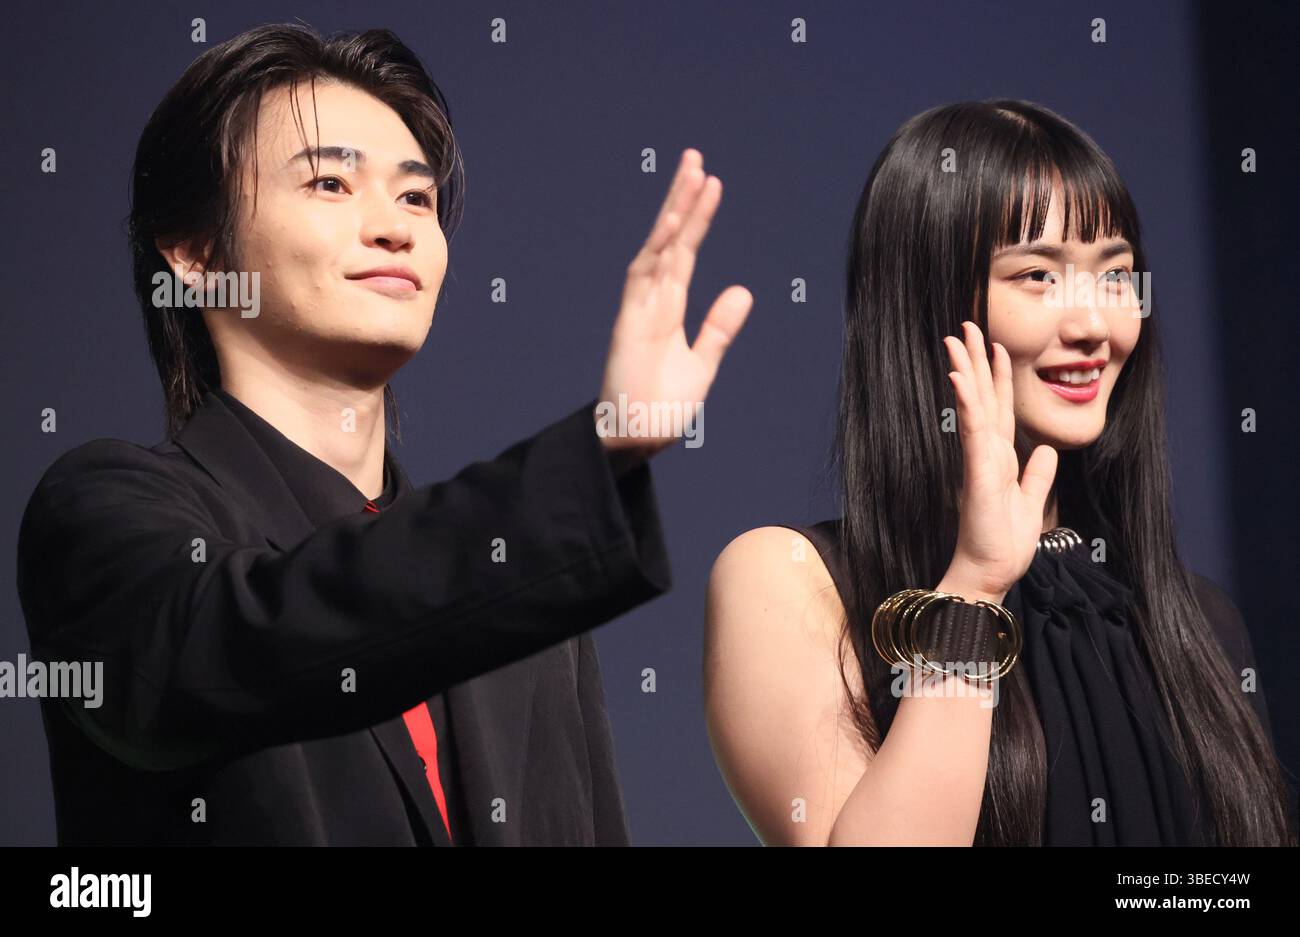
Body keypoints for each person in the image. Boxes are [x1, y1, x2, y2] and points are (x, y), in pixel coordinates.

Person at [16, 24, 752, 846]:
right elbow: (229, 644)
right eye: (331, 184)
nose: (395, 228)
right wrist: (593, 459)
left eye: (416, 197)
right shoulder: (102, 512)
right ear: (192, 250)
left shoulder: (523, 595)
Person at [704, 99, 1297, 846]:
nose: (1092, 325)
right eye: (1039, 277)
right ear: (926, 307)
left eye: (1115, 275)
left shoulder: (1199, 620)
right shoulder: (791, 581)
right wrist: (975, 585)